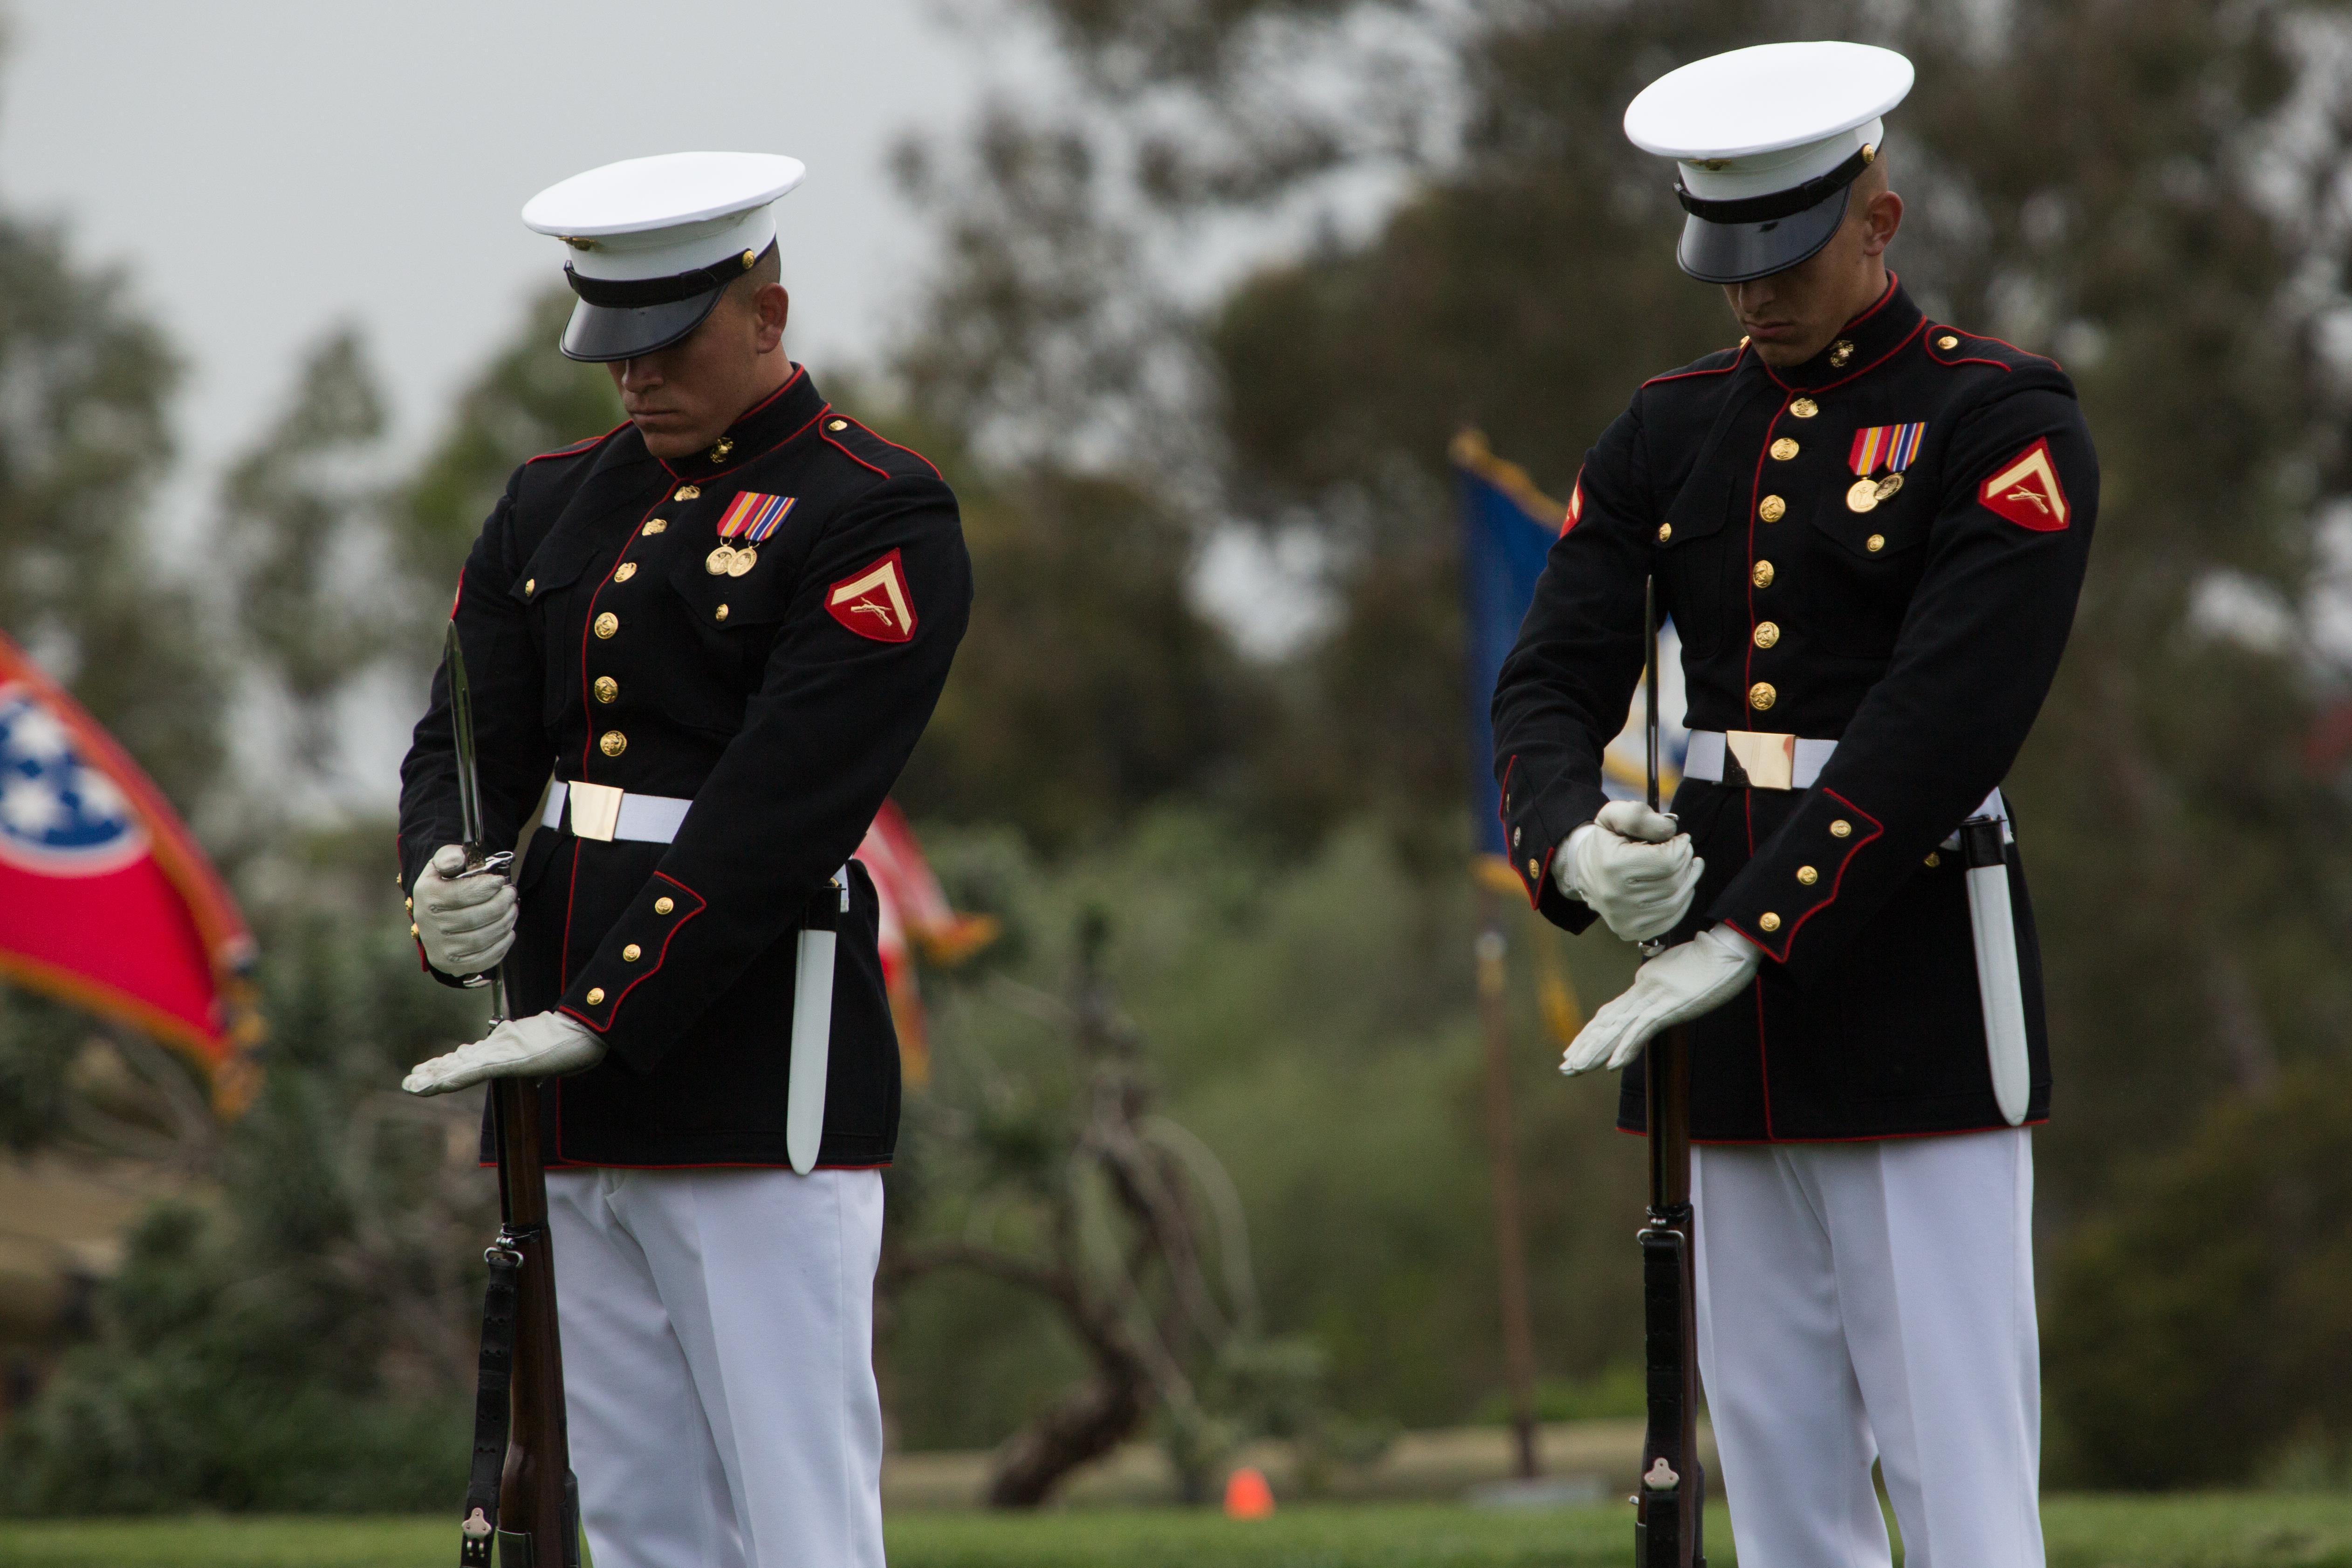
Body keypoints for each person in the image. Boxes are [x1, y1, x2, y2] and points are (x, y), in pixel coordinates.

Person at [1491, 42, 2096, 1568]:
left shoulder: (1999, 422)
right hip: (1723, 1020)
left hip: (1909, 976)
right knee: (1775, 1472)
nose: (1754, 296)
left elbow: (1943, 721)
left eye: (1791, 252)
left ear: (1879, 220)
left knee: (1955, 1472)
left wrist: (1755, 928)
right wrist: (1571, 844)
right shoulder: (1666, 427)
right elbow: (1548, 678)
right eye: (1728, 261)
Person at [395, 151, 971, 1568]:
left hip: (742, 1062)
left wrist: (604, 1011)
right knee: (643, 1521)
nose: (636, 379)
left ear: (767, 312)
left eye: (670, 342)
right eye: (614, 348)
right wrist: (447, 884)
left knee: (798, 1514)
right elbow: (461, 744)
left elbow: (781, 810)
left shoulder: (872, 511)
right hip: (560, 1085)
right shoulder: (548, 506)